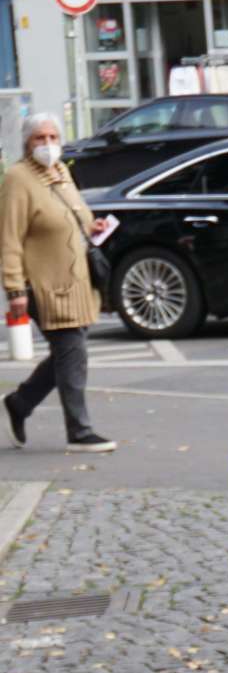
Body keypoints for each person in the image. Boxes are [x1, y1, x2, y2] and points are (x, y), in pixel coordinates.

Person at [3, 113, 115, 453]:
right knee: (72, 352)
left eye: (53, 137)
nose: (48, 144)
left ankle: (20, 403)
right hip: (43, 284)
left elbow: (77, 213)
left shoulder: (60, 172)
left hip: (76, 282)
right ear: (27, 142)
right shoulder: (17, 179)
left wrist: (91, 226)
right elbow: (8, 238)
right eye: (40, 138)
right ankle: (79, 431)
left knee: (67, 354)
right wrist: (15, 289)